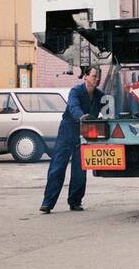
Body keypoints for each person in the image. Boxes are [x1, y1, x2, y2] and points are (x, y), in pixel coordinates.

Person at [40, 65, 104, 213]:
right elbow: (73, 106)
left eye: (98, 76)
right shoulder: (76, 91)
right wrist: (80, 116)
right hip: (68, 132)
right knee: (57, 167)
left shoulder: (99, 95)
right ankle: (47, 203)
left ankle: (75, 202)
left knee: (80, 169)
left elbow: (109, 106)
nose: (97, 79)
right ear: (86, 77)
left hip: (84, 134)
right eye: (94, 76)